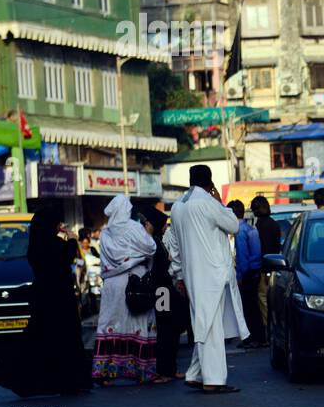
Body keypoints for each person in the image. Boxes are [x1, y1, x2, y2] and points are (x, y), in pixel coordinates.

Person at [164, 164, 248, 394]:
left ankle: (195, 373)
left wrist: (179, 274)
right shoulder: (208, 203)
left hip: (192, 275)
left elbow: (175, 245)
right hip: (213, 273)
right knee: (211, 326)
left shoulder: (178, 207)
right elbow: (234, 226)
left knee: (204, 322)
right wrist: (220, 201)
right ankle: (213, 380)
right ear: (210, 182)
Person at [0, 208, 91, 397]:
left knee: (41, 337)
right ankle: (70, 381)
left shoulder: (35, 246)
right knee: (65, 338)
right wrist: (71, 237)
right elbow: (67, 256)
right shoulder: (55, 245)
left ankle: (32, 380)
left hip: (43, 297)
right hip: (60, 298)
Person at [91, 194, 162, 385]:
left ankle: (105, 373)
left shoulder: (105, 234)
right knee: (138, 323)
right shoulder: (134, 228)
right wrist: (135, 256)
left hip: (112, 286)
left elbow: (107, 260)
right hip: (135, 283)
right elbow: (151, 247)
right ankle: (143, 371)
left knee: (110, 324)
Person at [141, 206, 184, 381]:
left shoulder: (155, 240)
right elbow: (162, 265)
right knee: (166, 328)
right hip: (162, 291)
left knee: (167, 328)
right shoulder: (150, 241)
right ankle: (165, 369)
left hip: (163, 290)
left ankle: (168, 369)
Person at [231, 200, 265, 347]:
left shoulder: (240, 231)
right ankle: (259, 337)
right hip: (256, 270)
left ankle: (252, 338)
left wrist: (240, 277)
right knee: (254, 306)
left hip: (248, 273)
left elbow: (242, 258)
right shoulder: (250, 228)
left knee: (248, 307)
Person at [251, 195, 280, 333]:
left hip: (264, 269)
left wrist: (265, 271)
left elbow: (264, 250)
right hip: (276, 267)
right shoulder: (274, 224)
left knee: (263, 299)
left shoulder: (259, 227)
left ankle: (267, 330)